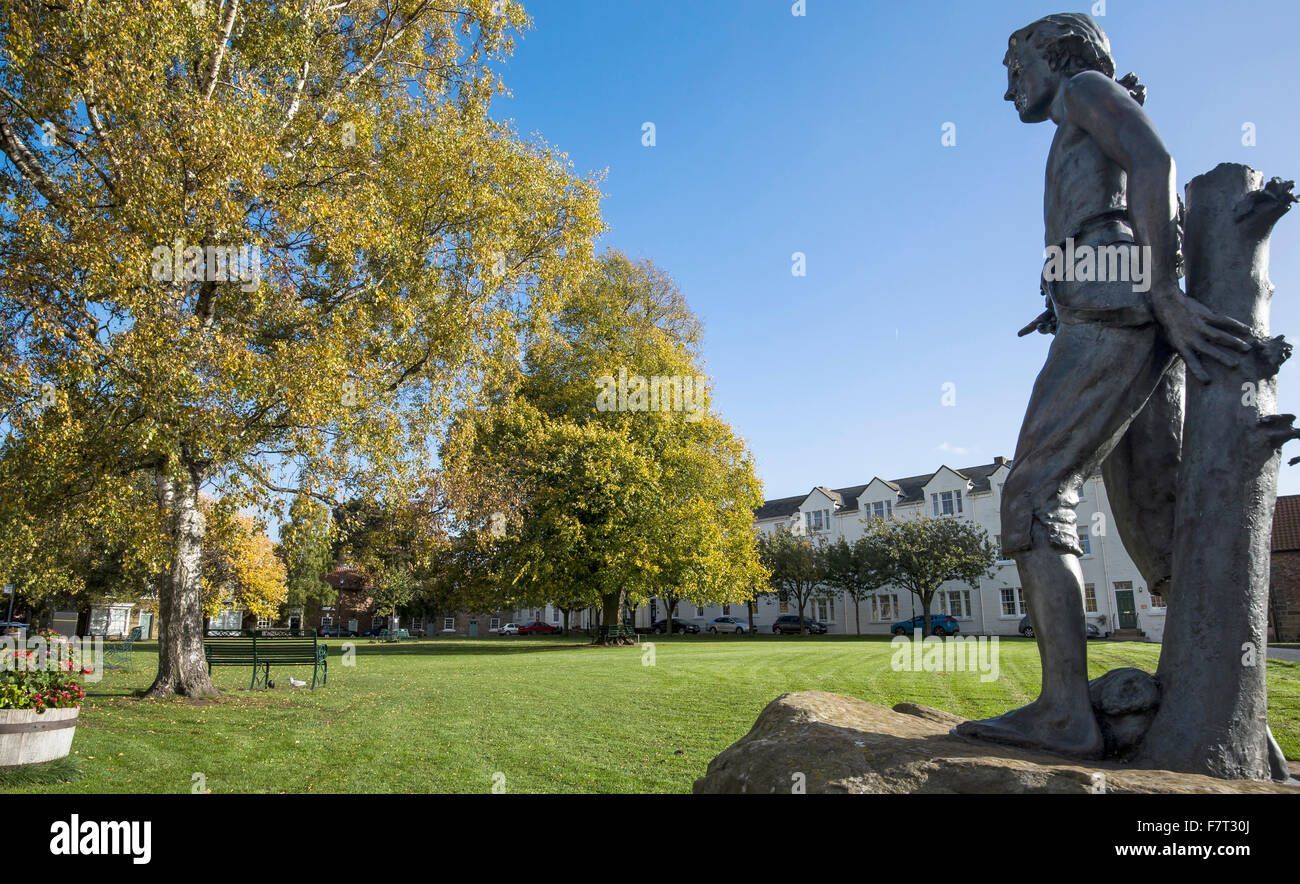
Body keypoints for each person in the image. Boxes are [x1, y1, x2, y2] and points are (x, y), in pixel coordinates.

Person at [952, 13, 1254, 758]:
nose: (1006, 87)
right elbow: (1110, 197)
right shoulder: (1078, 118)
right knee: (1144, 515)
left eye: (1013, 65)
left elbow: (1154, 160)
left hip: (1115, 295)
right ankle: (1179, 701)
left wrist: (1164, 290)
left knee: (1031, 492)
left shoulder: (1087, 87)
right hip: (1099, 294)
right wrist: (1063, 284)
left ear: (1057, 54)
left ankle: (1063, 713)